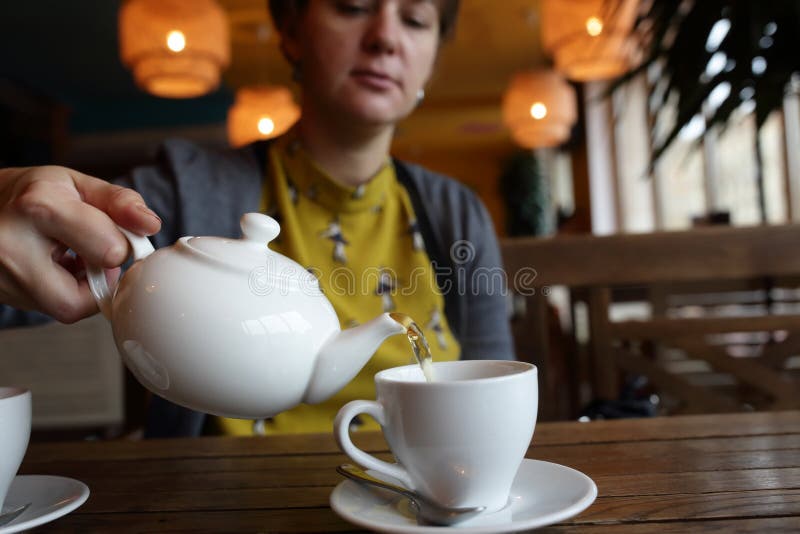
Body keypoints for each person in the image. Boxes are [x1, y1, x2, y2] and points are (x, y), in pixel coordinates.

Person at [0, 0, 514, 436]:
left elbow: (490, 390)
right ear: (291, 33)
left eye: (416, 19)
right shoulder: (186, 190)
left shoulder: (456, 214)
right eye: (353, 6)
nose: (385, 37)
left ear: (431, 62)